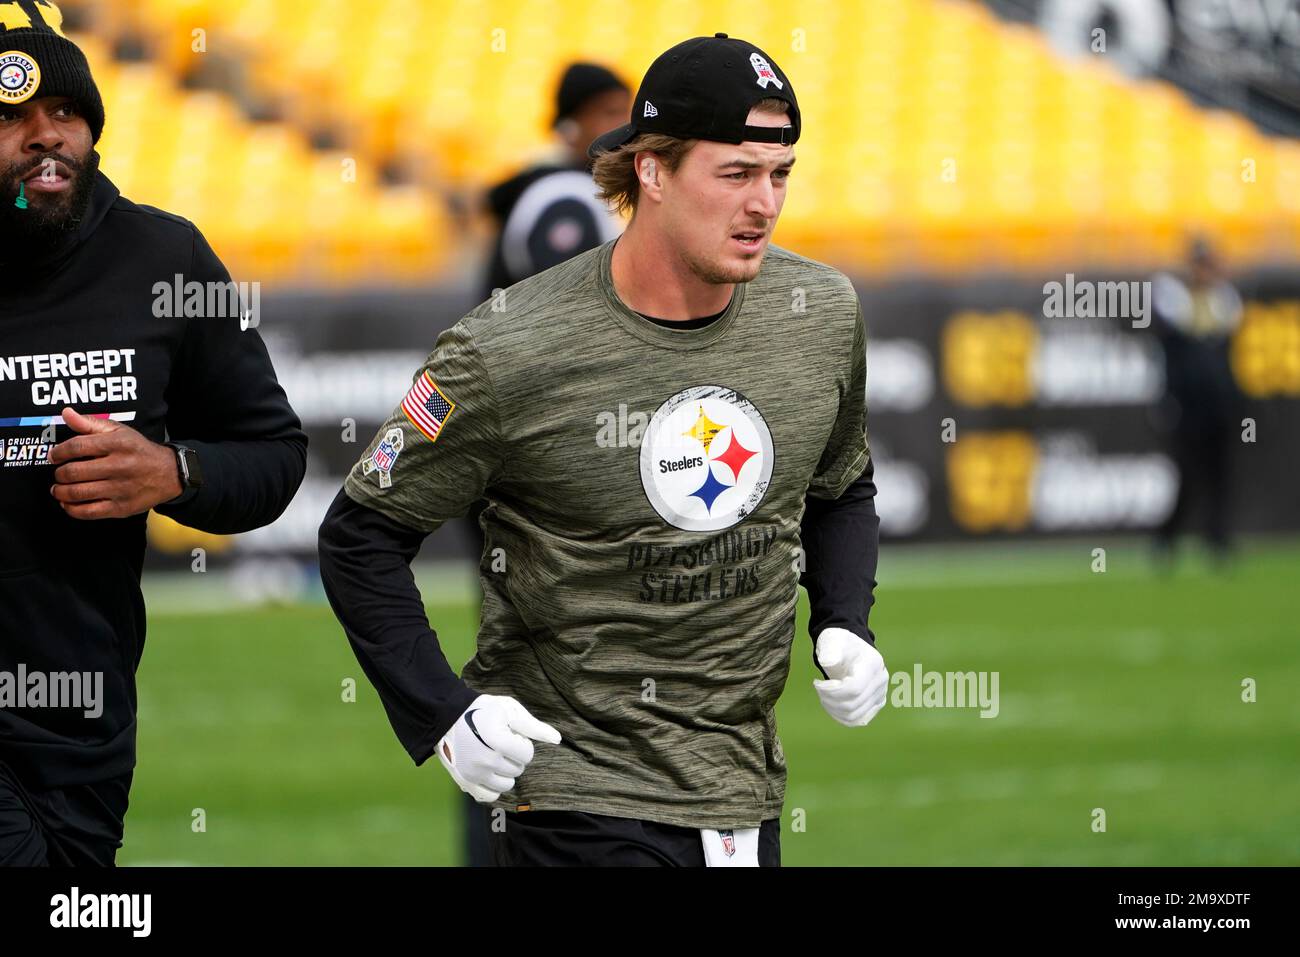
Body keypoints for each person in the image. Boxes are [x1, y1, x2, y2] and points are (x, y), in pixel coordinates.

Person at [318, 33, 885, 867]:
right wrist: (443, 712)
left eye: (780, 174)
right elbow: (360, 534)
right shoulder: (511, 347)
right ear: (651, 172)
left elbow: (843, 484)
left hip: (743, 794)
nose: (764, 203)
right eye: (735, 174)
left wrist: (845, 619)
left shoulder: (822, 313)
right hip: (571, 797)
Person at [0, 3, 307, 865]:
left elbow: (276, 457)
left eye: (65, 114)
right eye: (12, 118)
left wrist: (173, 472)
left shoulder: (161, 261)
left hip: (80, 725)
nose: (45, 138)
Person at [463, 60, 631, 866]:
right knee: (528, 673)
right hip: (525, 467)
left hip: (537, 459)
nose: (620, 127)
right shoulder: (560, 200)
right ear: (568, 121)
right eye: (605, 112)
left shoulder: (567, 193)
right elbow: (559, 329)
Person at [480, 61, 630, 303]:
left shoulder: (551, 183)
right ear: (571, 124)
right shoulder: (565, 194)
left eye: (626, 112)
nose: (624, 125)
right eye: (610, 113)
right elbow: (565, 302)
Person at [1150, 238, 1244, 564]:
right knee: (1187, 475)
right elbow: (1176, 334)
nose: (1206, 271)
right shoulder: (1175, 300)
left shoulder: (1223, 301)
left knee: (1221, 475)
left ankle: (1217, 540)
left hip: (1218, 404)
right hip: (1187, 406)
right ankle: (1167, 539)